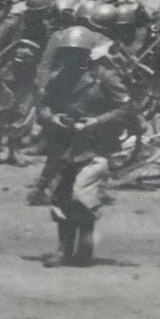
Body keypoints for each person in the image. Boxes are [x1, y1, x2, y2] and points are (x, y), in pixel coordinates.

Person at [33, 24, 137, 266]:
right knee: (61, 198)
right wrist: (53, 118)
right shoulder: (58, 78)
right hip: (64, 145)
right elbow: (43, 108)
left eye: (78, 54)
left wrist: (95, 122)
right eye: (68, 53)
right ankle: (64, 250)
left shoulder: (104, 76)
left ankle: (85, 243)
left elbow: (125, 108)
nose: (72, 58)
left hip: (94, 146)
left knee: (82, 196)